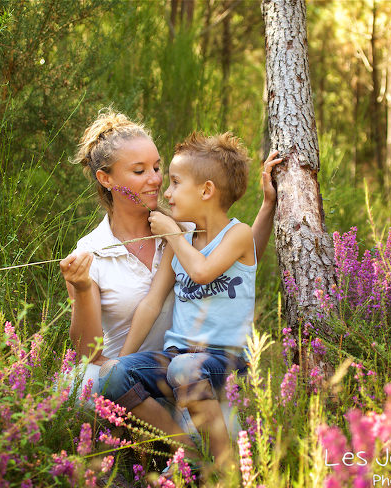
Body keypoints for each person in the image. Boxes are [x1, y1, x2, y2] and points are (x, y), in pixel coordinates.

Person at [59, 109, 281, 402]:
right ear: (106, 179)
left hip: (191, 373)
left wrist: (268, 205)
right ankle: (157, 435)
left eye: (156, 167)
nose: (156, 180)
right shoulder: (91, 253)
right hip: (139, 376)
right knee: (87, 388)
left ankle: (176, 442)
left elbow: (239, 259)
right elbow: (89, 352)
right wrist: (84, 288)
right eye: (139, 171)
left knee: (215, 422)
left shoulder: (185, 228)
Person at [101, 131, 258, 467]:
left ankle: (226, 470)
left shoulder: (237, 234)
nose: (166, 192)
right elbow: (152, 303)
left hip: (224, 359)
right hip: (176, 359)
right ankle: (189, 456)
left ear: (206, 191)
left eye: (174, 182)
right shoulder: (183, 240)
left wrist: (173, 234)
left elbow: (202, 272)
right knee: (113, 377)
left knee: (185, 368)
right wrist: (122, 360)